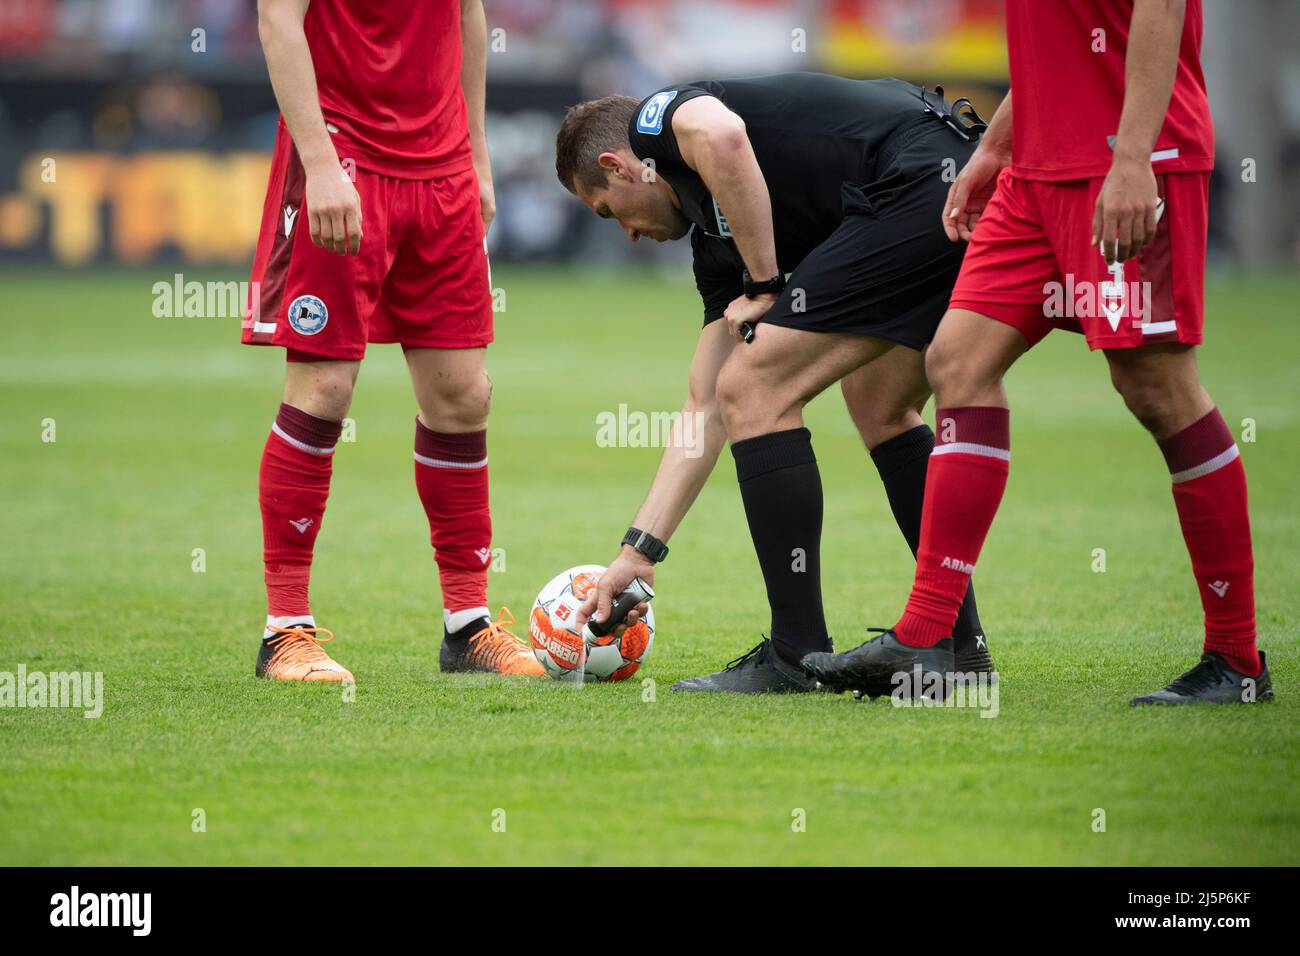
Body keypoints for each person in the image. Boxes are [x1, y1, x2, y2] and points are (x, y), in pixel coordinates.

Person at [801, 0, 1273, 706]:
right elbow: (1058, 42)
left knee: (1156, 388)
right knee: (958, 360)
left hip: (1125, 162)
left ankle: (1237, 660)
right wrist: (996, 146)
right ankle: (929, 638)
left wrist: (1133, 156)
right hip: (1038, 168)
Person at [554, 73, 994, 693]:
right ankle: (956, 649)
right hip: (945, 185)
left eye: (608, 211)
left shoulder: (654, 122)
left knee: (757, 389)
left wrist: (764, 284)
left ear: (620, 167)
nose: (624, 233)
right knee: (879, 402)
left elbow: (724, 134)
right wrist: (637, 554)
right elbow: (704, 405)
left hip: (924, 181)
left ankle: (796, 654)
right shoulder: (713, 243)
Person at [242, 0, 543, 682]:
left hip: (441, 171)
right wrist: (316, 161)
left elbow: (468, 16)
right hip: (342, 157)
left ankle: (468, 626)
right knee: (324, 387)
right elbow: (277, 20)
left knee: (463, 396)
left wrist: (476, 155)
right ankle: (285, 631)